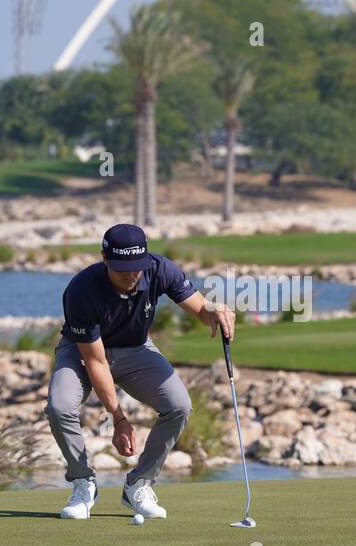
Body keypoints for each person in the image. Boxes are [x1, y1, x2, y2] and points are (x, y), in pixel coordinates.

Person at [46, 223, 235, 520]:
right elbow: (96, 362)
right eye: (122, 268)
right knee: (59, 406)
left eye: (136, 268)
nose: (131, 275)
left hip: (136, 350)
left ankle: (139, 485)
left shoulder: (161, 269)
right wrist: (119, 419)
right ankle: (83, 483)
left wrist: (211, 310)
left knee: (179, 406)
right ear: (105, 259)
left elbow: (198, 308)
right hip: (83, 352)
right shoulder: (81, 290)